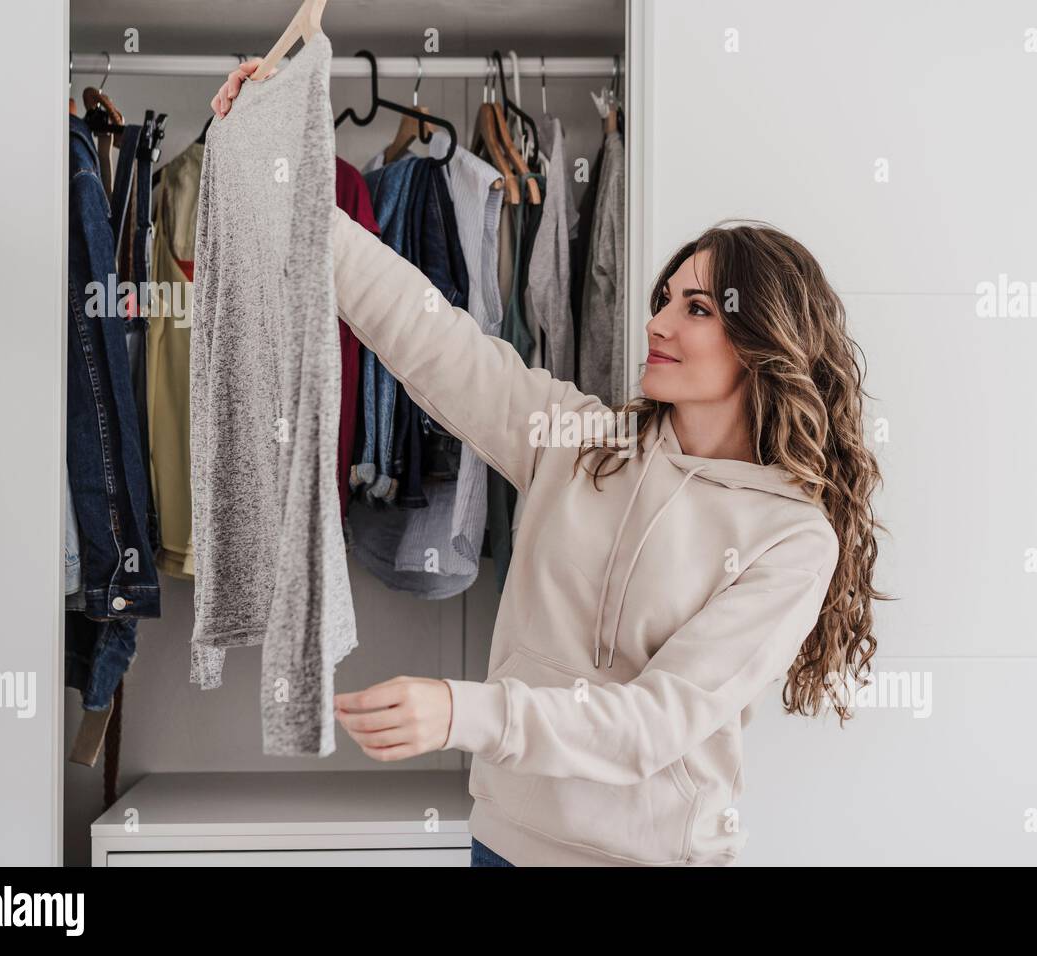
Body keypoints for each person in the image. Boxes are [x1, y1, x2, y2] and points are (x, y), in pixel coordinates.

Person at [210, 64, 886, 867]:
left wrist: (467, 715)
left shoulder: (790, 538)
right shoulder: (582, 441)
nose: (658, 321)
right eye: (663, 298)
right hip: (502, 845)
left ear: (765, 341)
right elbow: (429, 335)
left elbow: (654, 724)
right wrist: (282, 168)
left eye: (696, 308)